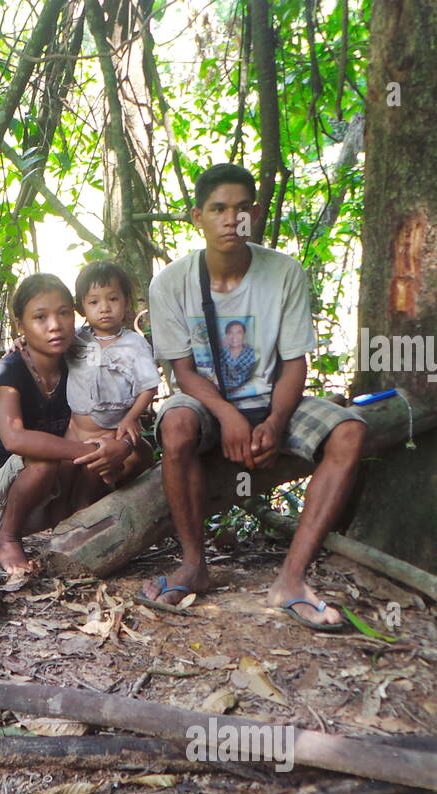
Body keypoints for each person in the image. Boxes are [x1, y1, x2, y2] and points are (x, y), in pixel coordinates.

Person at [139, 163, 367, 631]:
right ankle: (193, 564)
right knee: (175, 424)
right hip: (206, 403)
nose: (231, 219)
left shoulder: (284, 273)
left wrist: (276, 422)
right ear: (196, 217)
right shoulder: (171, 284)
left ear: (255, 215)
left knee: (350, 432)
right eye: (218, 209)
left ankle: (291, 577)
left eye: (242, 209)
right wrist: (227, 415)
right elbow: (182, 371)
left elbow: (293, 362)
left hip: (271, 397)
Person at [0, 273, 135, 577]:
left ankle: (73, 524)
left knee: (133, 452)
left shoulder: (77, 359)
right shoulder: (10, 371)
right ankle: (7, 540)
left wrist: (116, 446)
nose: (54, 325)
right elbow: (14, 439)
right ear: (21, 326)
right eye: (40, 317)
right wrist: (87, 450)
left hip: (49, 496)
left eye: (63, 313)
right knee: (46, 459)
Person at [62, 261, 157, 510]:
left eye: (113, 299)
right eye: (94, 302)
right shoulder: (76, 339)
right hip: (75, 432)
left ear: (126, 301)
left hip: (114, 432)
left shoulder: (134, 344)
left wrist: (132, 418)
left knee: (100, 483)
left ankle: (103, 515)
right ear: (82, 306)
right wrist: (22, 342)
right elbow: (44, 344)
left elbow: (149, 386)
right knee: (75, 486)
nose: (104, 308)